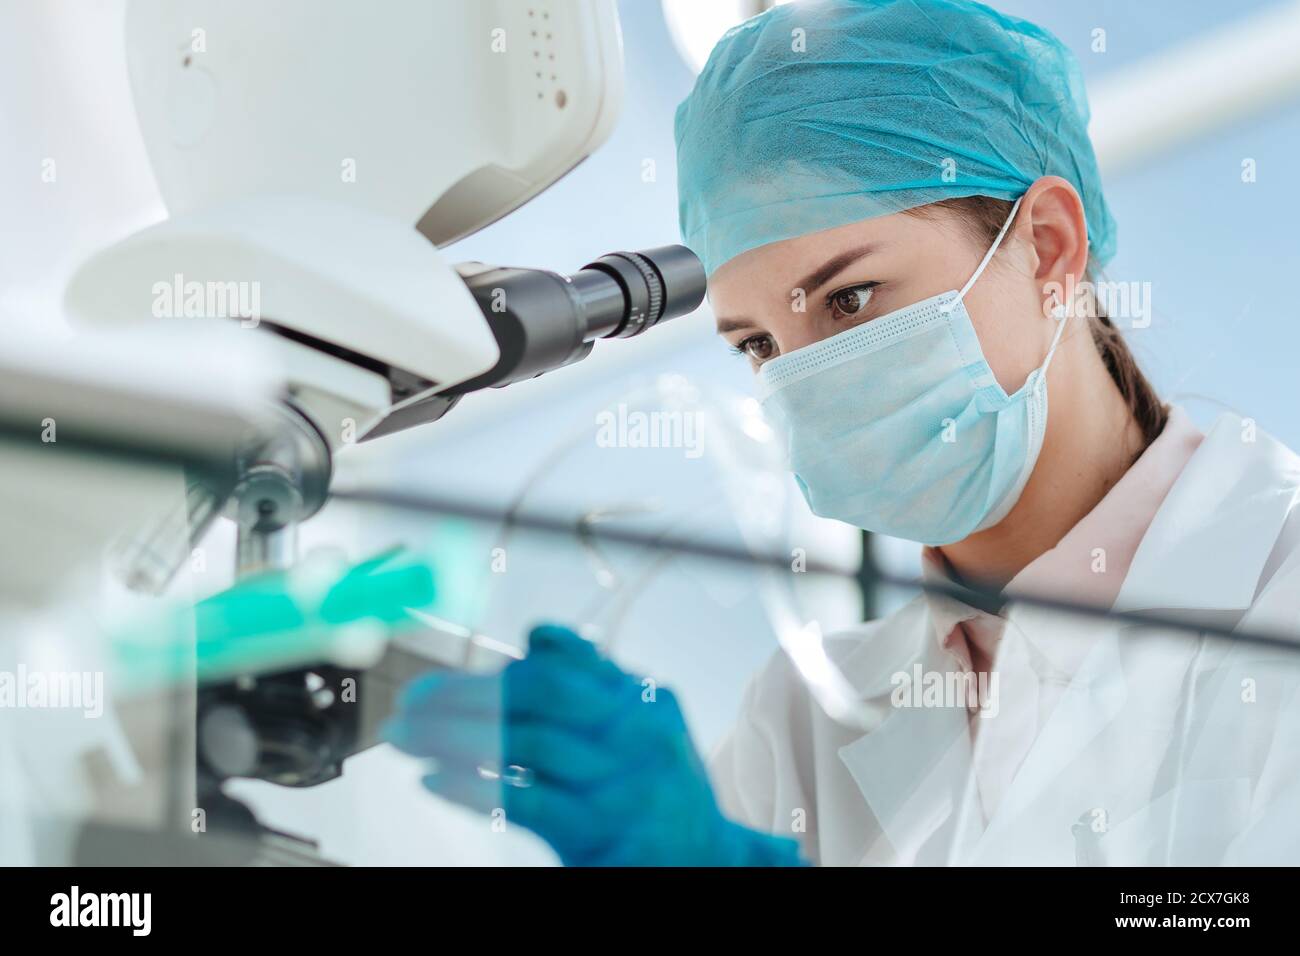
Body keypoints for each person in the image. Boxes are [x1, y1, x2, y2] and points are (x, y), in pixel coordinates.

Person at [385, 0, 1300, 865]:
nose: (801, 379)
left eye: (849, 299)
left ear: (1049, 248)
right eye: (756, 344)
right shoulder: (801, 721)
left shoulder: (1276, 585)